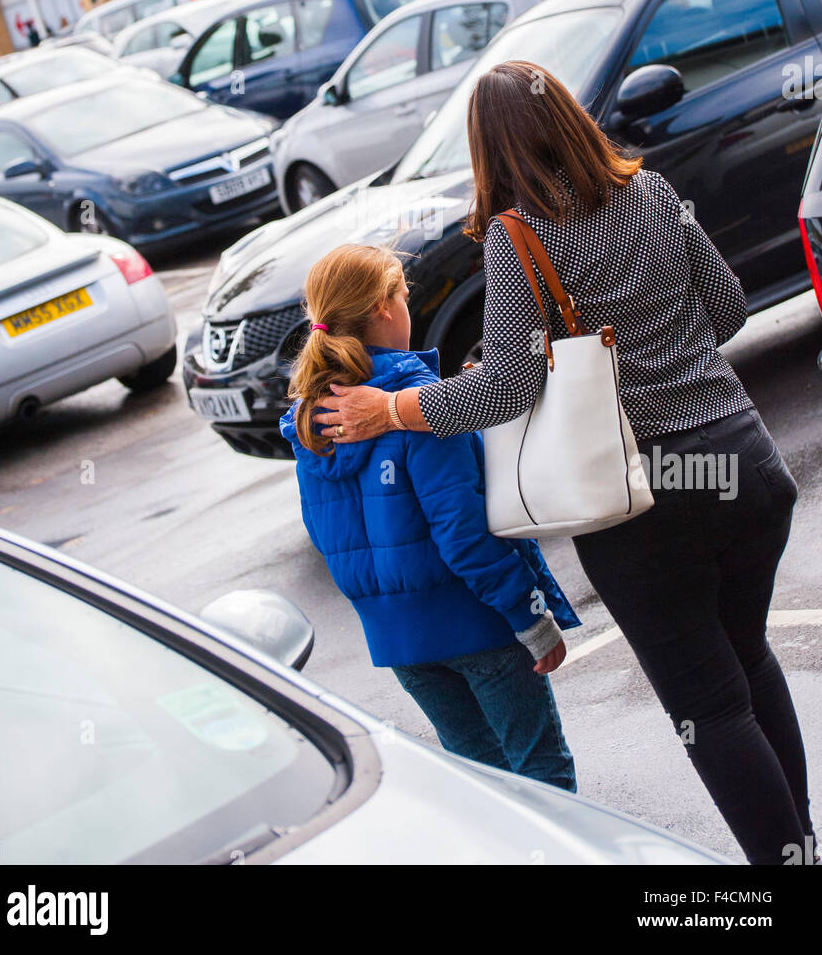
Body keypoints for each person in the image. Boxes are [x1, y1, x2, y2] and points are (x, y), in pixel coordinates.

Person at [314, 63, 817, 867]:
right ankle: (802, 847)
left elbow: (507, 388)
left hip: (645, 506)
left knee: (711, 707)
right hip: (746, 462)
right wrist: (661, 344)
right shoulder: (651, 193)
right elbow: (725, 309)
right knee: (749, 656)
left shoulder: (518, 239)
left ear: (489, 150)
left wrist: (394, 409)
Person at [280, 242, 580, 790]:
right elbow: (464, 535)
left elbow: (332, 540)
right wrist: (530, 616)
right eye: (403, 294)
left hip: (402, 644)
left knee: (482, 781)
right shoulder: (418, 406)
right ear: (384, 309)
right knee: (543, 773)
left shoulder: (311, 425)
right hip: (478, 623)